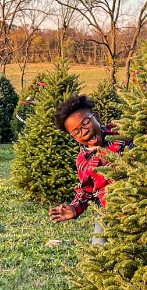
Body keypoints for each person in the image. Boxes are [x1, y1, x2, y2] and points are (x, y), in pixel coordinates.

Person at [48, 95, 128, 244]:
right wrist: (74, 208)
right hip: (109, 211)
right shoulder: (84, 160)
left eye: (86, 122)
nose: (83, 132)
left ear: (96, 117)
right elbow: (85, 190)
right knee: (99, 248)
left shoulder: (120, 133)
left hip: (142, 199)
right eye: (76, 132)